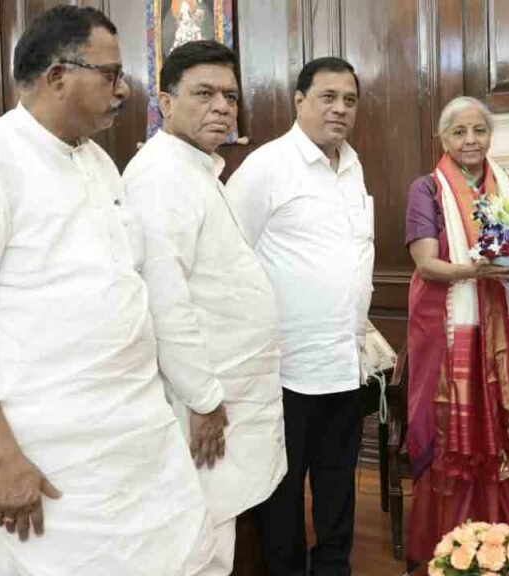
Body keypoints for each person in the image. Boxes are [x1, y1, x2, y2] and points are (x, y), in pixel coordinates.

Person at [0, 6, 226, 574]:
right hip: (47, 455)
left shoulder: (100, 162)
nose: (123, 90)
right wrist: (4, 459)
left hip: (135, 435)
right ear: (58, 75)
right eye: (109, 75)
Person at [124, 40, 287, 573]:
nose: (222, 106)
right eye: (205, 93)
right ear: (165, 104)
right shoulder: (161, 176)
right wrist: (203, 399)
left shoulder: (197, 168)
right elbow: (164, 298)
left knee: (217, 531)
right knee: (196, 542)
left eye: (230, 95)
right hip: (199, 399)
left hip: (227, 387)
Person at [403, 95, 509, 567]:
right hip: (448, 327)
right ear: (443, 138)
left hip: (500, 326)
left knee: (496, 428)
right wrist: (475, 273)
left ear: (490, 136)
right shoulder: (427, 190)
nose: (470, 140)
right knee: (450, 426)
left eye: (479, 131)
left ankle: (502, 545)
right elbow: (427, 265)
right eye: (459, 132)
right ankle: (447, 545)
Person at [225, 56, 373, 576]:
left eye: (350, 100)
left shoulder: (352, 167)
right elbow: (227, 258)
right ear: (300, 101)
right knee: (282, 493)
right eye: (328, 97)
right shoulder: (266, 167)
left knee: (338, 484)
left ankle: (334, 568)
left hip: (343, 363)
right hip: (283, 368)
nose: (340, 109)